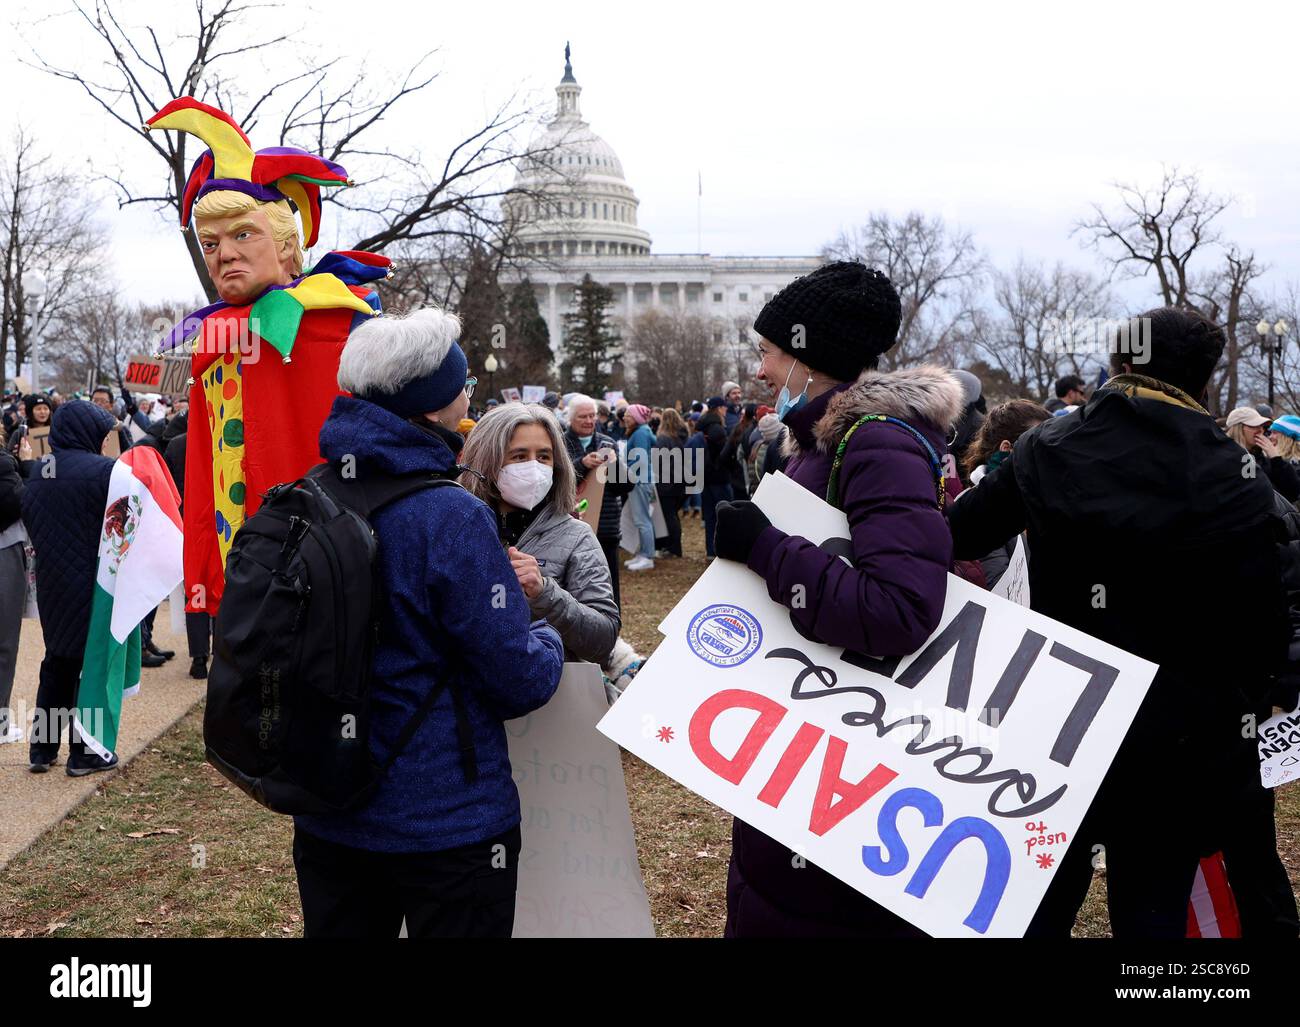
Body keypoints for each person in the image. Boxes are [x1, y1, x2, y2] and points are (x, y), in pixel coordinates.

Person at [948, 306, 1291, 937]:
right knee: (1152, 911)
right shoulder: (1237, 474)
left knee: (1034, 901)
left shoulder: (1048, 447)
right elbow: (1264, 628)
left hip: (1060, 714)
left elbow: (959, 535)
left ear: (1119, 364)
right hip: (1179, 736)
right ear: (1205, 381)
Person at [291, 306, 564, 938]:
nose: (468, 397)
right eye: (462, 386)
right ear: (432, 402)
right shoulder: (451, 516)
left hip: (330, 807)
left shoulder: (307, 493)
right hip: (446, 823)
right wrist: (545, 636)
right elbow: (515, 677)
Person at [712, 260, 963, 937]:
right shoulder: (816, 442)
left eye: (766, 351)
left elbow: (900, 609)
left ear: (805, 356)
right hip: (804, 738)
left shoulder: (877, 443)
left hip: (848, 756)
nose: (759, 370)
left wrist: (766, 547)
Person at [143, 97, 392, 620]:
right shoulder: (211, 343)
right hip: (249, 578)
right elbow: (207, 474)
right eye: (209, 244)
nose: (224, 254)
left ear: (286, 246)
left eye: (243, 234)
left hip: (339, 578)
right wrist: (210, 583)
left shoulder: (344, 322)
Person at [460, 403, 619, 664]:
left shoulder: (577, 537)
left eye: (544, 456)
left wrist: (545, 594)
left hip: (551, 695)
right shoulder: (460, 528)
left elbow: (603, 641)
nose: (534, 468)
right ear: (487, 460)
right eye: (520, 456)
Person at [22, 402, 121, 775]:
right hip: (92, 583)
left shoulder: (41, 469)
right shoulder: (105, 471)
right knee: (90, 666)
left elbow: (28, 510)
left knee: (58, 660)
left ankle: (42, 750)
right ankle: (85, 753)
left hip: (51, 582)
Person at [957, 399, 1051, 587]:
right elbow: (1002, 588)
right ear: (1008, 449)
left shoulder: (1043, 498)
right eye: (1041, 446)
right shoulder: (977, 507)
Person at [563, 394, 634, 609]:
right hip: (570, 526)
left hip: (606, 527)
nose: (589, 421)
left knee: (609, 582)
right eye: (583, 416)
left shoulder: (608, 442)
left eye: (592, 416)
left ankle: (613, 631)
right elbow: (555, 481)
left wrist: (614, 466)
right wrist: (582, 464)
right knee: (573, 583)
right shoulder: (560, 443)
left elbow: (626, 486)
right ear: (571, 419)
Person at [0, 425, 28, 744]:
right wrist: (27, 467)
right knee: (4, 644)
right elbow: (19, 503)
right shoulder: (5, 465)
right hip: (4, 552)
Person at [1226, 406, 1300, 503]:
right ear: (1238, 429)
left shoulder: (1264, 458)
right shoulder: (1224, 456)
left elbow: (1292, 493)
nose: (1261, 430)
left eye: (1262, 426)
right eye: (1254, 425)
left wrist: (1276, 459)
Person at [622, 403, 657, 572]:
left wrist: (626, 469)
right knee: (642, 519)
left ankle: (647, 556)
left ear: (635, 418)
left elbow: (640, 459)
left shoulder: (641, 433)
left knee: (642, 520)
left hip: (639, 480)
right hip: (640, 479)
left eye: (628, 415)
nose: (624, 417)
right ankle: (643, 553)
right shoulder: (641, 431)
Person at [697, 396, 733, 558]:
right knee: (723, 514)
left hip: (705, 476)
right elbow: (723, 454)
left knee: (710, 516)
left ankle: (711, 551)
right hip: (718, 478)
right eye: (724, 407)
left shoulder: (702, 426)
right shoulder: (717, 429)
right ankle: (722, 550)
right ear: (719, 408)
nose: (726, 410)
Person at [653, 407, 689, 558]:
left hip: (666, 482)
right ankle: (673, 547)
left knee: (668, 516)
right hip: (680, 481)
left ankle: (673, 548)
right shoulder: (682, 437)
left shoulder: (663, 439)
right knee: (672, 515)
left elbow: (657, 461)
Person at [91, 386, 133, 453]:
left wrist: (119, 429)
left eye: (103, 401)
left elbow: (129, 452)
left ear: (111, 405)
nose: (98, 404)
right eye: (95, 401)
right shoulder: (84, 425)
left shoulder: (121, 428)